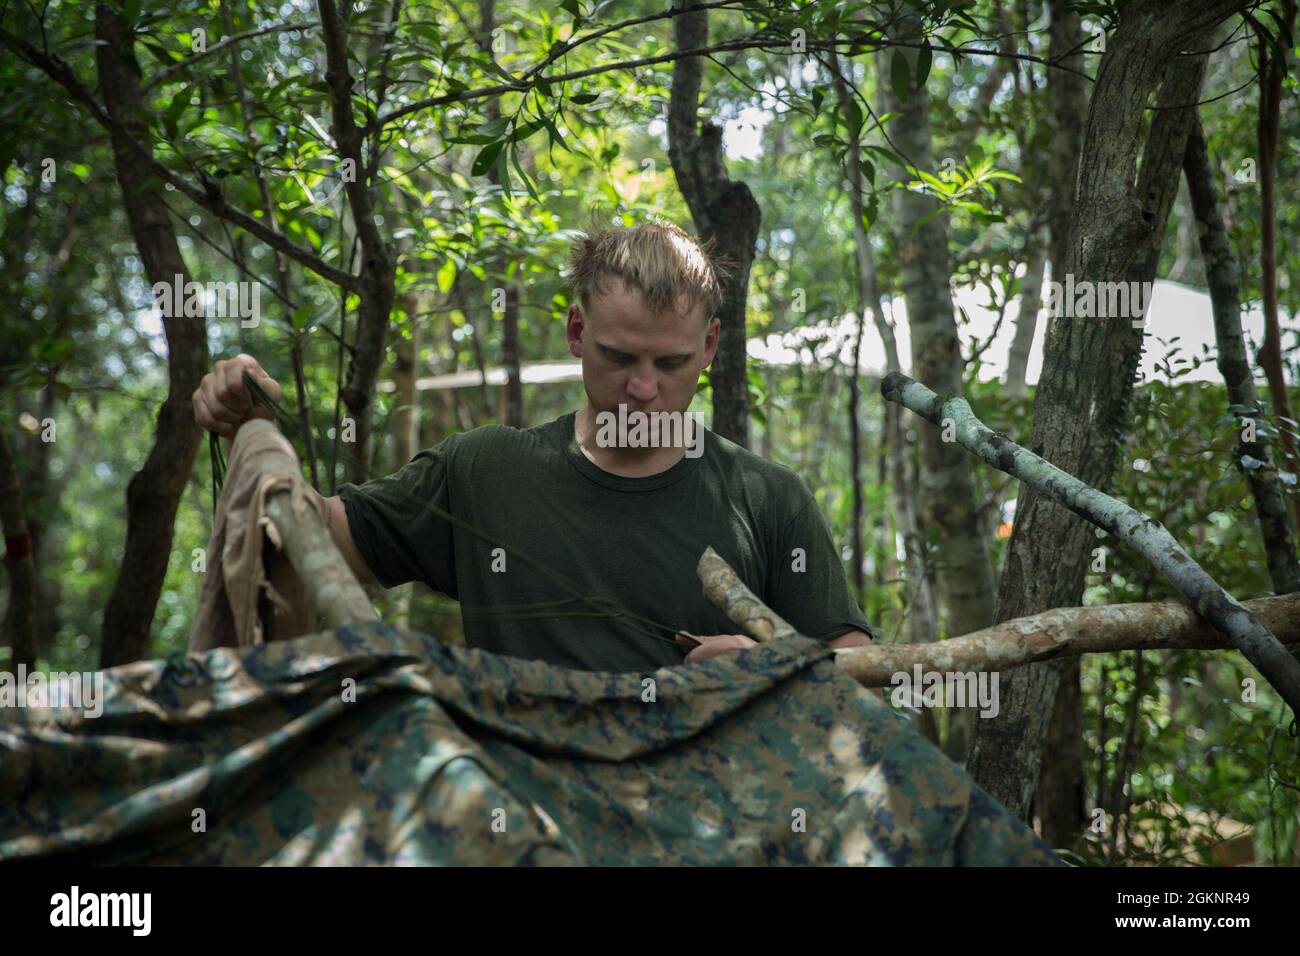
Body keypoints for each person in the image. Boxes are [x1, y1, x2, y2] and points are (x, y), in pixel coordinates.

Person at [193, 220, 874, 671]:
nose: (642, 389)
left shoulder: (764, 497)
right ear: (577, 332)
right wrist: (253, 432)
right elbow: (308, 541)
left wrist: (770, 666)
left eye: (669, 365)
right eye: (618, 356)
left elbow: (861, 673)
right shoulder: (487, 472)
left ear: (710, 348)